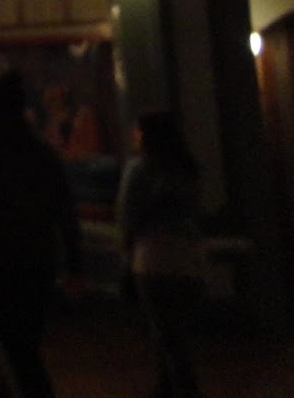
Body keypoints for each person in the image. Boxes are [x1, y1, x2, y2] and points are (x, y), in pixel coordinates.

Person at [0, 70, 84, 398]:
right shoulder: (43, 155)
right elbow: (65, 213)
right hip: (40, 261)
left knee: (11, 349)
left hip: (0, 262)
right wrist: (75, 264)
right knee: (24, 342)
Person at [116, 109, 207, 398]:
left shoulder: (139, 169)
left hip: (152, 256)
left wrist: (125, 252)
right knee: (177, 331)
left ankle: (178, 386)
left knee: (162, 331)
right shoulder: (186, 169)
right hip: (188, 256)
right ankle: (172, 385)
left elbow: (127, 214)